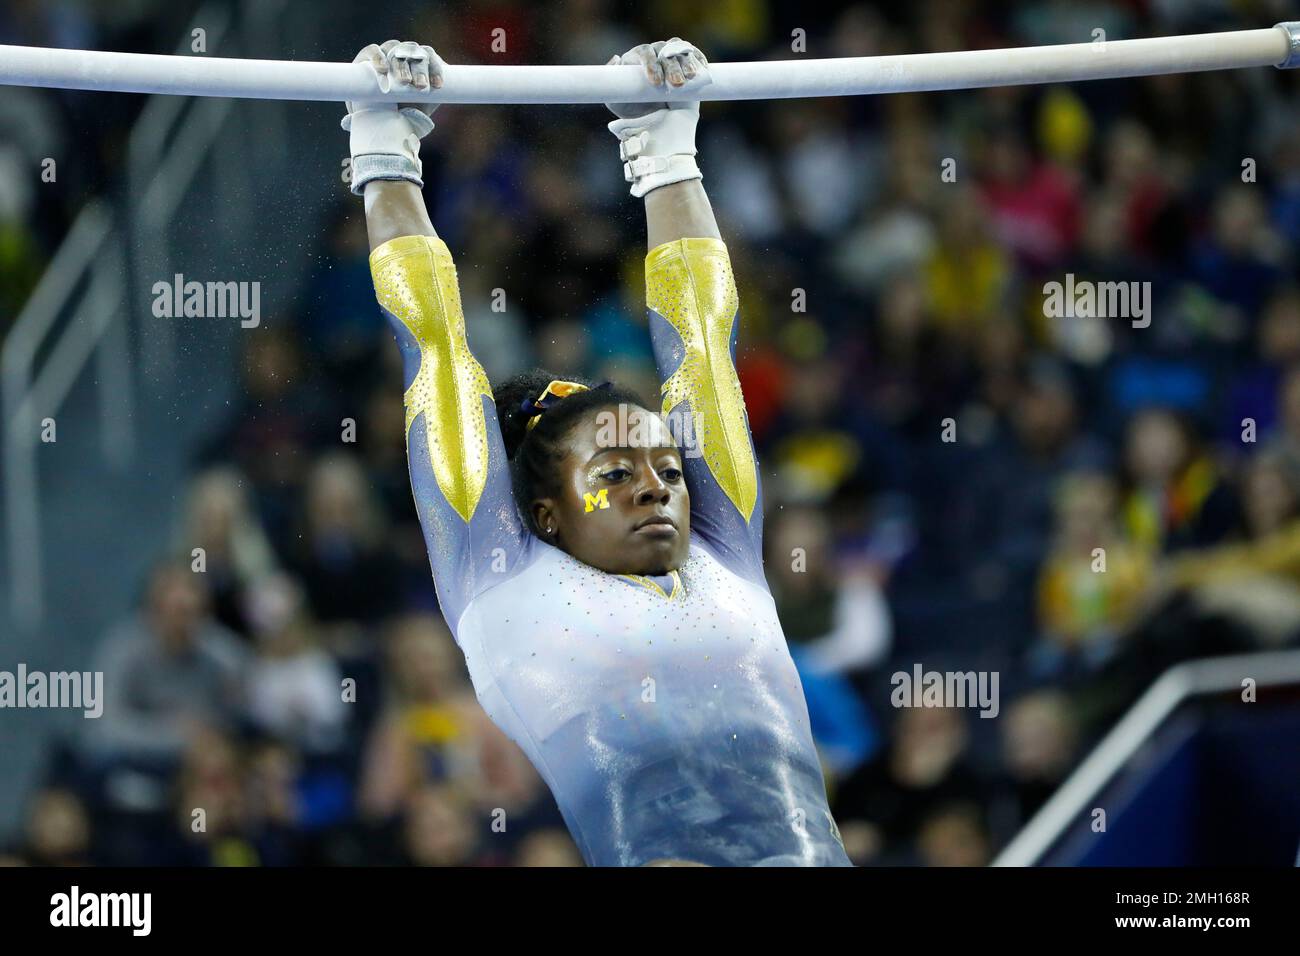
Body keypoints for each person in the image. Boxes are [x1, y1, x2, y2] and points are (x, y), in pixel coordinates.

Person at [341, 37, 850, 866]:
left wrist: (665, 145)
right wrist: (383, 149)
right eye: (615, 474)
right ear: (541, 512)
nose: (658, 490)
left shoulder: (724, 552)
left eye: (667, 470)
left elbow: (702, 352)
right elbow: (436, 350)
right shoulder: (496, 570)